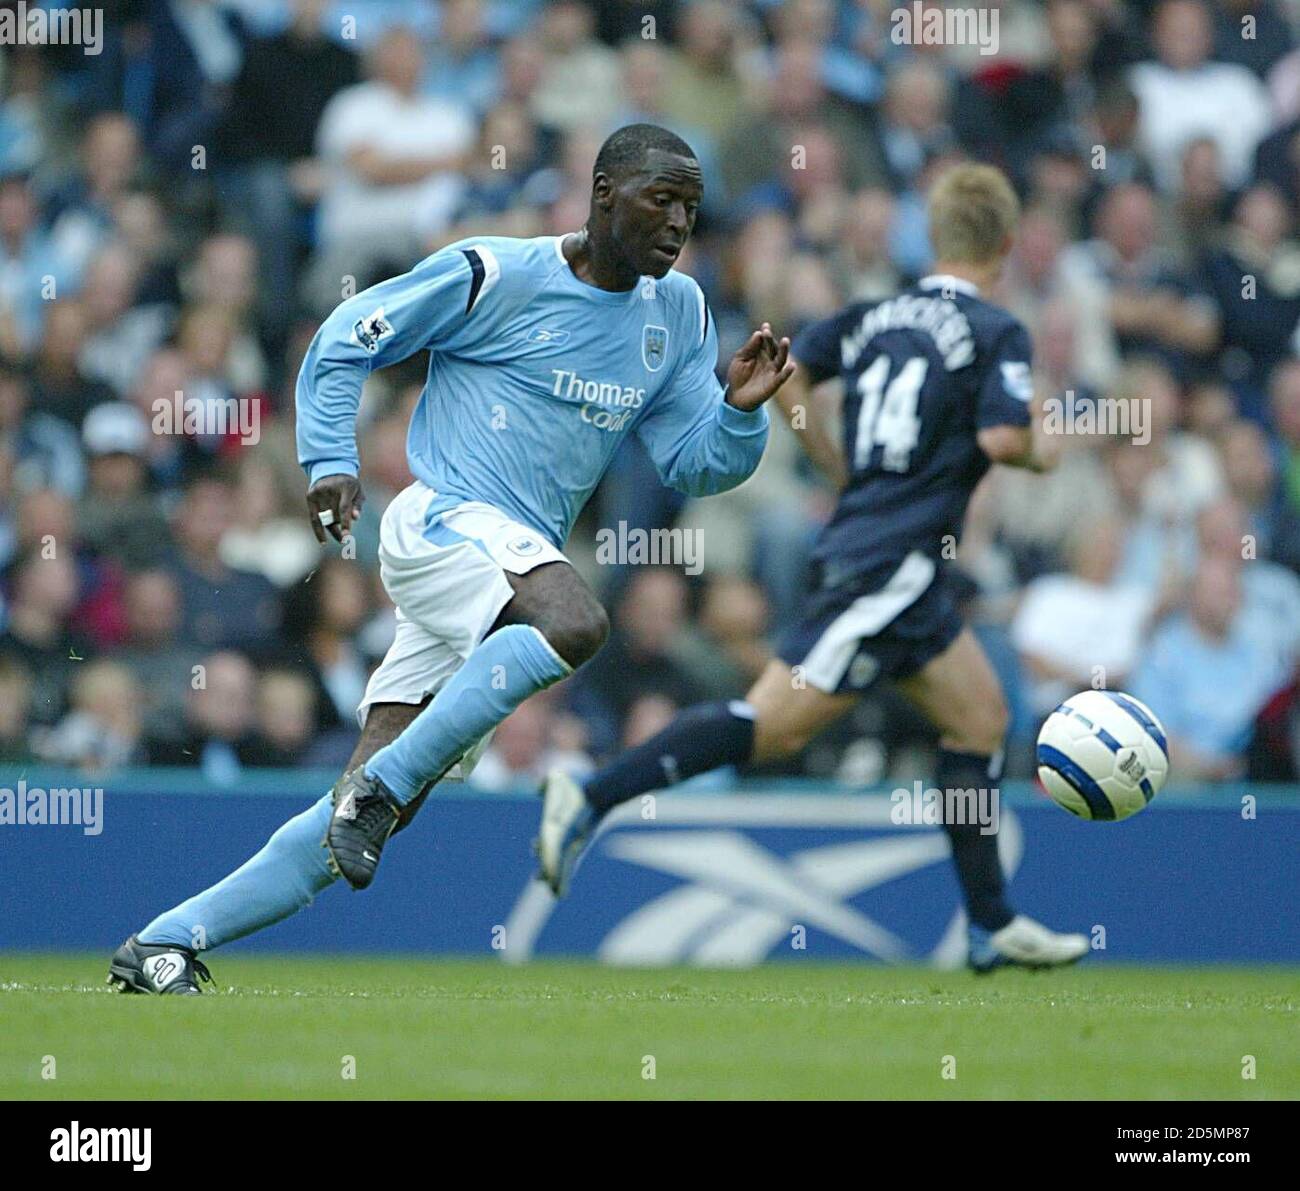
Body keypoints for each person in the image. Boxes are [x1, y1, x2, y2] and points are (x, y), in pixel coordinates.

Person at [107, 122, 794, 994]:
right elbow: (349, 332)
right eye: (662, 200)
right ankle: (381, 789)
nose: (678, 224)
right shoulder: (496, 273)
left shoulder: (679, 315)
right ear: (604, 190)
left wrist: (738, 411)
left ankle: (162, 943)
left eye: (692, 209)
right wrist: (329, 459)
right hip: (442, 525)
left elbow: (693, 463)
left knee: (358, 819)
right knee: (575, 620)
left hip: (504, 575)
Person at [537, 163, 1090, 972]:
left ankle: (991, 923)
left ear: (931, 236)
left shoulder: (875, 315)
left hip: (897, 563)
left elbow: (784, 368)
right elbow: (1008, 440)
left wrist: (836, 461)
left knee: (979, 720)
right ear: (1004, 245)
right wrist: (1044, 448)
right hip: (888, 566)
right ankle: (588, 794)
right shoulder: (999, 330)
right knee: (768, 725)